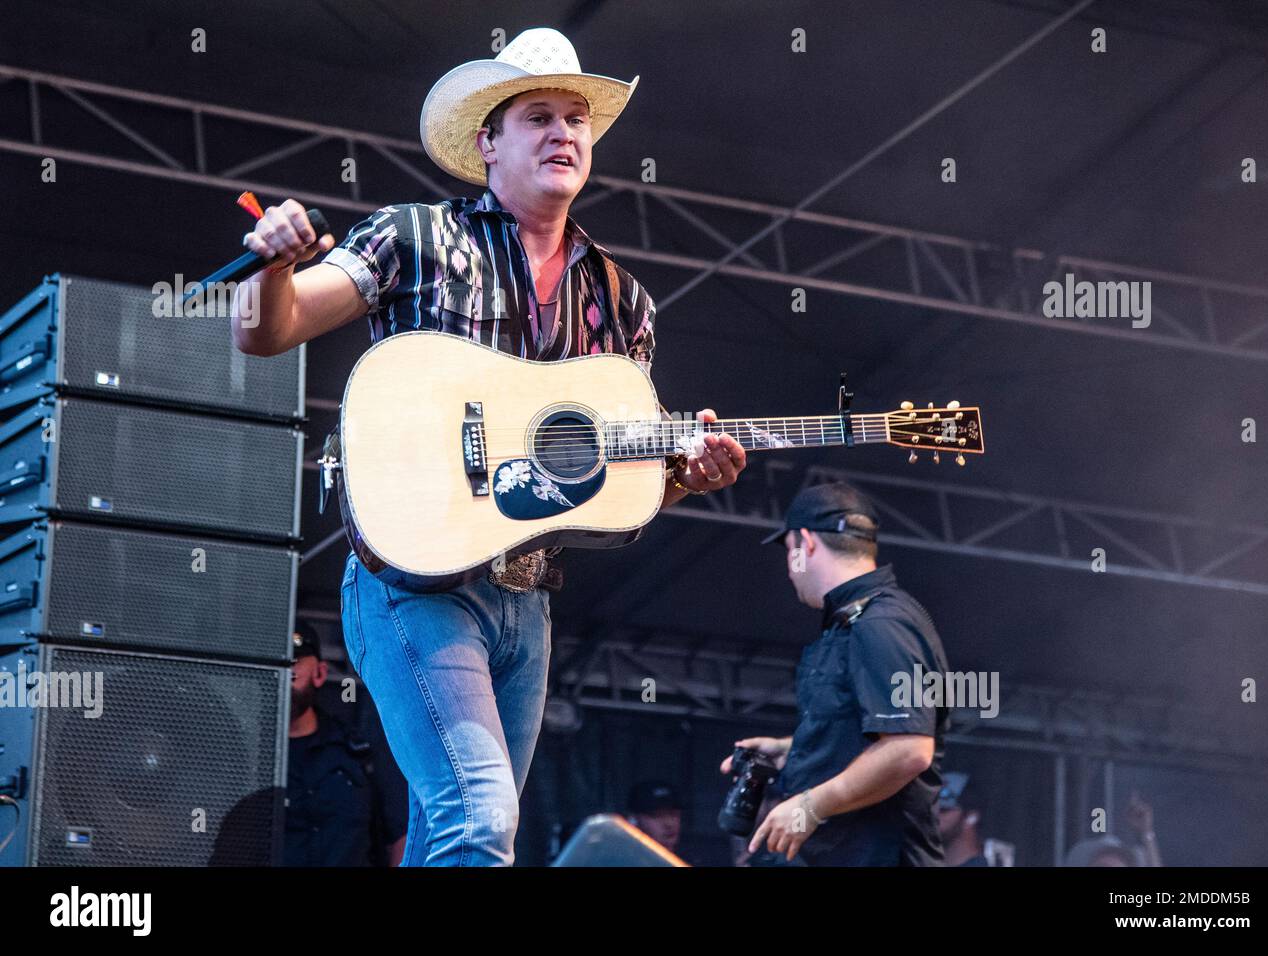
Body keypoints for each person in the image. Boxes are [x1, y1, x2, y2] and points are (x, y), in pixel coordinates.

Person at [232, 28, 747, 865]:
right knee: (479, 821)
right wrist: (272, 267)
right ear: (488, 144)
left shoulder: (624, 301)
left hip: (528, 602)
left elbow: (619, 483)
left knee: (450, 834)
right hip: (413, 583)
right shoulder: (417, 237)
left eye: (577, 119)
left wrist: (688, 478)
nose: (564, 134)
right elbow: (269, 332)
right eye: (538, 115)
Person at [722, 482, 951, 865]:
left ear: (805, 543)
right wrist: (789, 750)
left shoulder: (881, 622)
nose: (790, 569)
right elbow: (865, 737)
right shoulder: (855, 621)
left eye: (789, 551)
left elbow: (908, 748)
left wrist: (809, 807)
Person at [284, 620, 407, 866]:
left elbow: (400, 834)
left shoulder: (359, 750)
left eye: (294, 662)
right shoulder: (247, 757)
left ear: (320, 673)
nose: (286, 671)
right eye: (279, 663)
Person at [625, 780, 684, 857]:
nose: (669, 823)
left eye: (674, 814)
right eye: (657, 816)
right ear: (633, 821)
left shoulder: (696, 856)